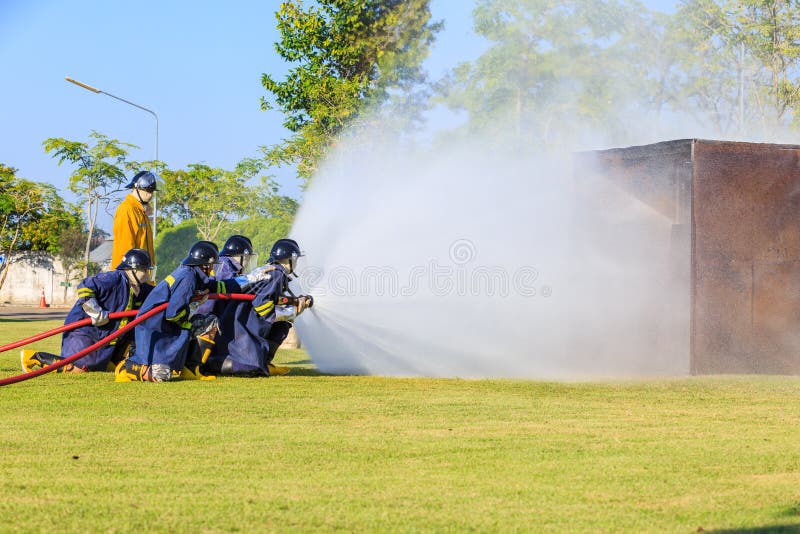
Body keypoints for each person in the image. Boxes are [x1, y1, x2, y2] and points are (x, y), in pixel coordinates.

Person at [115, 241, 272, 382]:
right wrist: (192, 308)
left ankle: (190, 368)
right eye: (211, 266)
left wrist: (250, 278)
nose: (212, 270)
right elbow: (173, 314)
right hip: (156, 330)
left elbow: (220, 286)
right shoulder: (188, 278)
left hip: (167, 327)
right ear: (204, 265)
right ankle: (128, 367)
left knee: (209, 323)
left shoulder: (194, 274)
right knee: (161, 376)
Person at [21, 249, 156, 373]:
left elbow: (159, 295)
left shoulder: (141, 288)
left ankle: (113, 361)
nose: (147, 274)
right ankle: (34, 357)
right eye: (145, 270)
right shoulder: (113, 278)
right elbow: (86, 286)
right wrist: (95, 311)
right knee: (78, 368)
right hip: (85, 330)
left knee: (106, 368)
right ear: (132, 269)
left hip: (106, 336)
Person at [202, 238, 313, 378]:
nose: (248, 261)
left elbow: (268, 299)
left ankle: (262, 361)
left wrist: (293, 304)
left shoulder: (275, 272)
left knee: (282, 325)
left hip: (234, 321)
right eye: (295, 259)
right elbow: (262, 306)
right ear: (290, 259)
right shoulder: (277, 273)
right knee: (251, 368)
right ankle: (210, 364)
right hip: (230, 322)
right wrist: (293, 311)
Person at [112, 170, 157, 270]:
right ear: (136, 188)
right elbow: (125, 248)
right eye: (148, 191)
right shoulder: (127, 210)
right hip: (130, 274)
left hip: (142, 274)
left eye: (152, 192)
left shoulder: (141, 211)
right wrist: (130, 277)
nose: (150, 195)